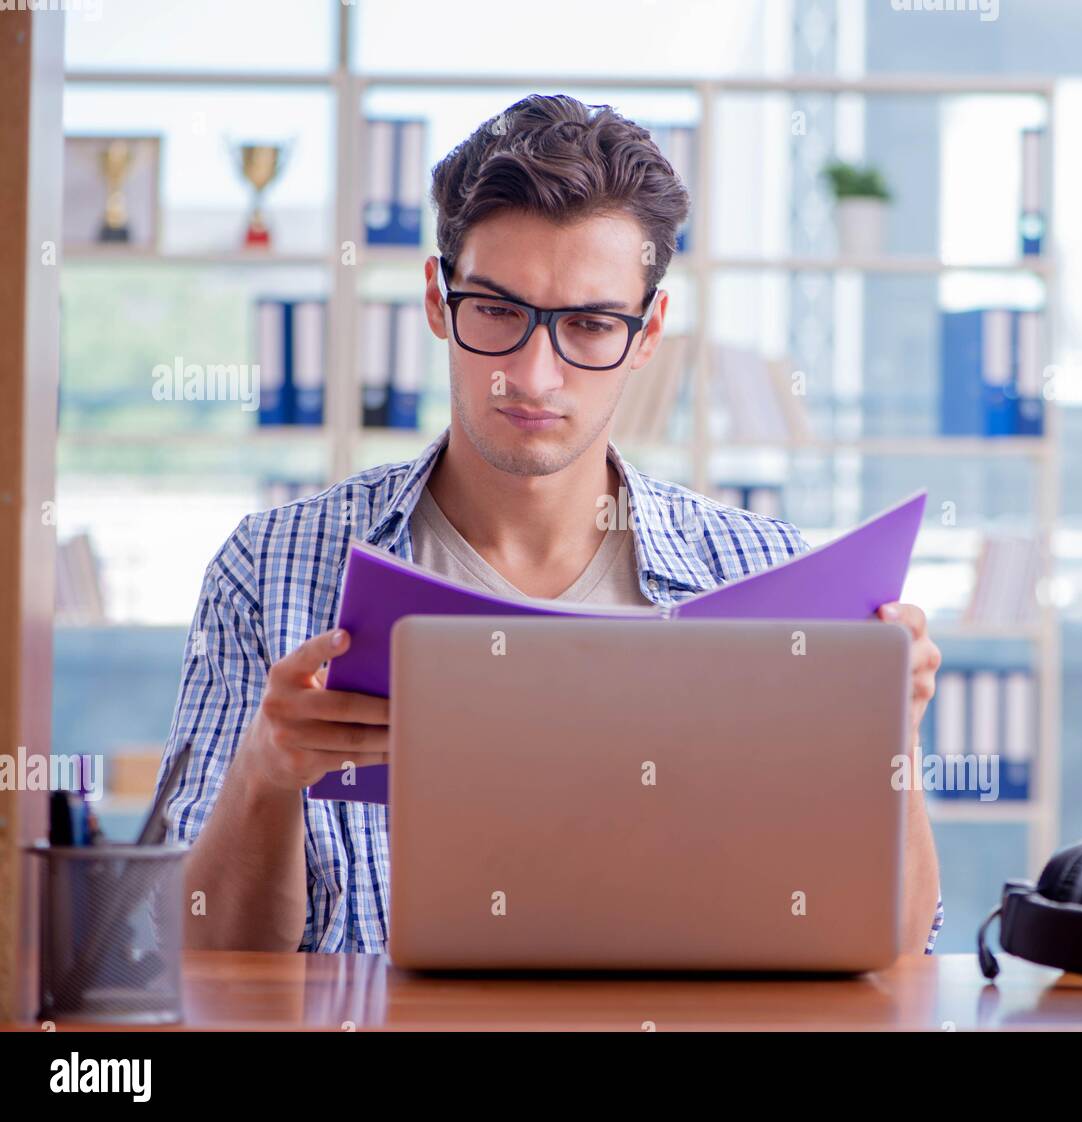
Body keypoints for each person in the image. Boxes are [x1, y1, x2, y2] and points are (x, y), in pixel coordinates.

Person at [159, 93, 943, 956]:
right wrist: (267, 776)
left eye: (590, 324)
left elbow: (899, 947)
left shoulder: (766, 578)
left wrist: (886, 734)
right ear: (435, 299)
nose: (533, 375)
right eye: (497, 312)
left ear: (646, 335)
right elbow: (197, 957)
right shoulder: (270, 571)